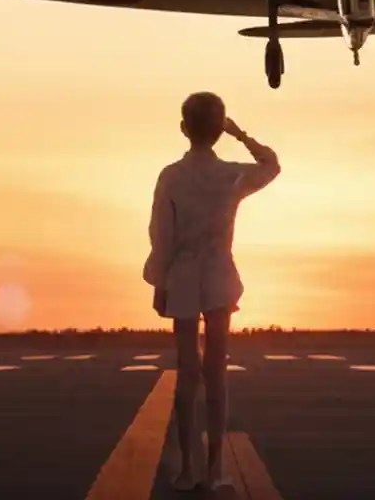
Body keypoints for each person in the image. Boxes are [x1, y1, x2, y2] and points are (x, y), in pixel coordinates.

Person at [142, 91, 281, 491]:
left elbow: (161, 234)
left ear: (184, 128)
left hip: (183, 278)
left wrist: (159, 281)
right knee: (216, 372)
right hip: (219, 276)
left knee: (188, 373)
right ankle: (216, 468)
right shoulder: (231, 175)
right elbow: (271, 165)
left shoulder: (171, 176)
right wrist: (241, 135)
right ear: (218, 129)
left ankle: (188, 469)